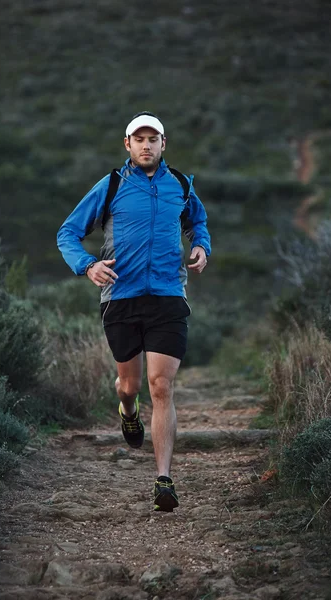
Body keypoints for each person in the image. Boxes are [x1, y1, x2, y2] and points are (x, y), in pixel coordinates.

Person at [57, 111, 211, 512]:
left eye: (153, 139)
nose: (146, 145)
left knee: (162, 386)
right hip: (120, 298)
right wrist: (88, 265)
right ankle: (128, 409)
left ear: (164, 144)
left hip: (167, 296)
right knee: (131, 386)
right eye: (139, 139)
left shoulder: (180, 184)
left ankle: (164, 479)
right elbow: (67, 232)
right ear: (128, 145)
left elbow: (198, 221)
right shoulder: (110, 186)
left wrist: (201, 246)